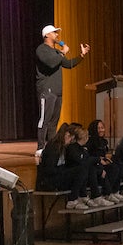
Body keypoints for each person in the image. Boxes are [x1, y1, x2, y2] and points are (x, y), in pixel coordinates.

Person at [35, 24, 88, 152]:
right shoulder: (42, 49)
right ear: (47, 35)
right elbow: (51, 63)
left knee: (54, 121)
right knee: (45, 120)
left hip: (58, 91)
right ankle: (41, 147)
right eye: (54, 33)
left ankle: (52, 148)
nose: (57, 35)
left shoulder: (57, 52)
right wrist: (63, 52)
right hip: (47, 90)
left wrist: (81, 55)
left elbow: (68, 64)